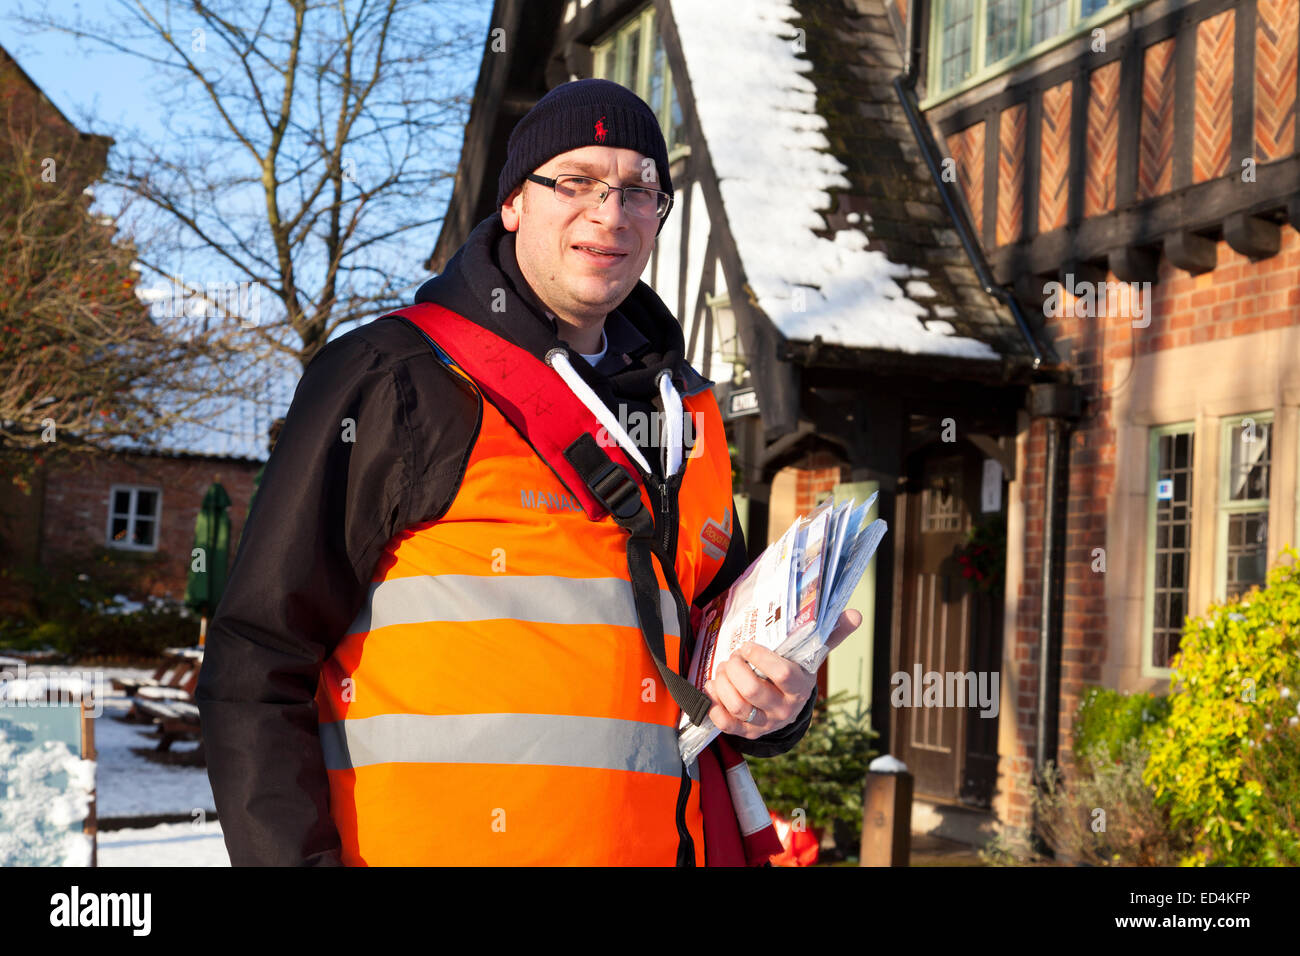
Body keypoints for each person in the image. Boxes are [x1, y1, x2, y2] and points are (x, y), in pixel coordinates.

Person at [196, 78, 860, 866]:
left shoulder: (689, 416)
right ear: (513, 203)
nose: (610, 212)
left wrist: (777, 704)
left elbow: (713, 660)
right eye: (574, 181)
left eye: (639, 189)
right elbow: (256, 659)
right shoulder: (394, 377)